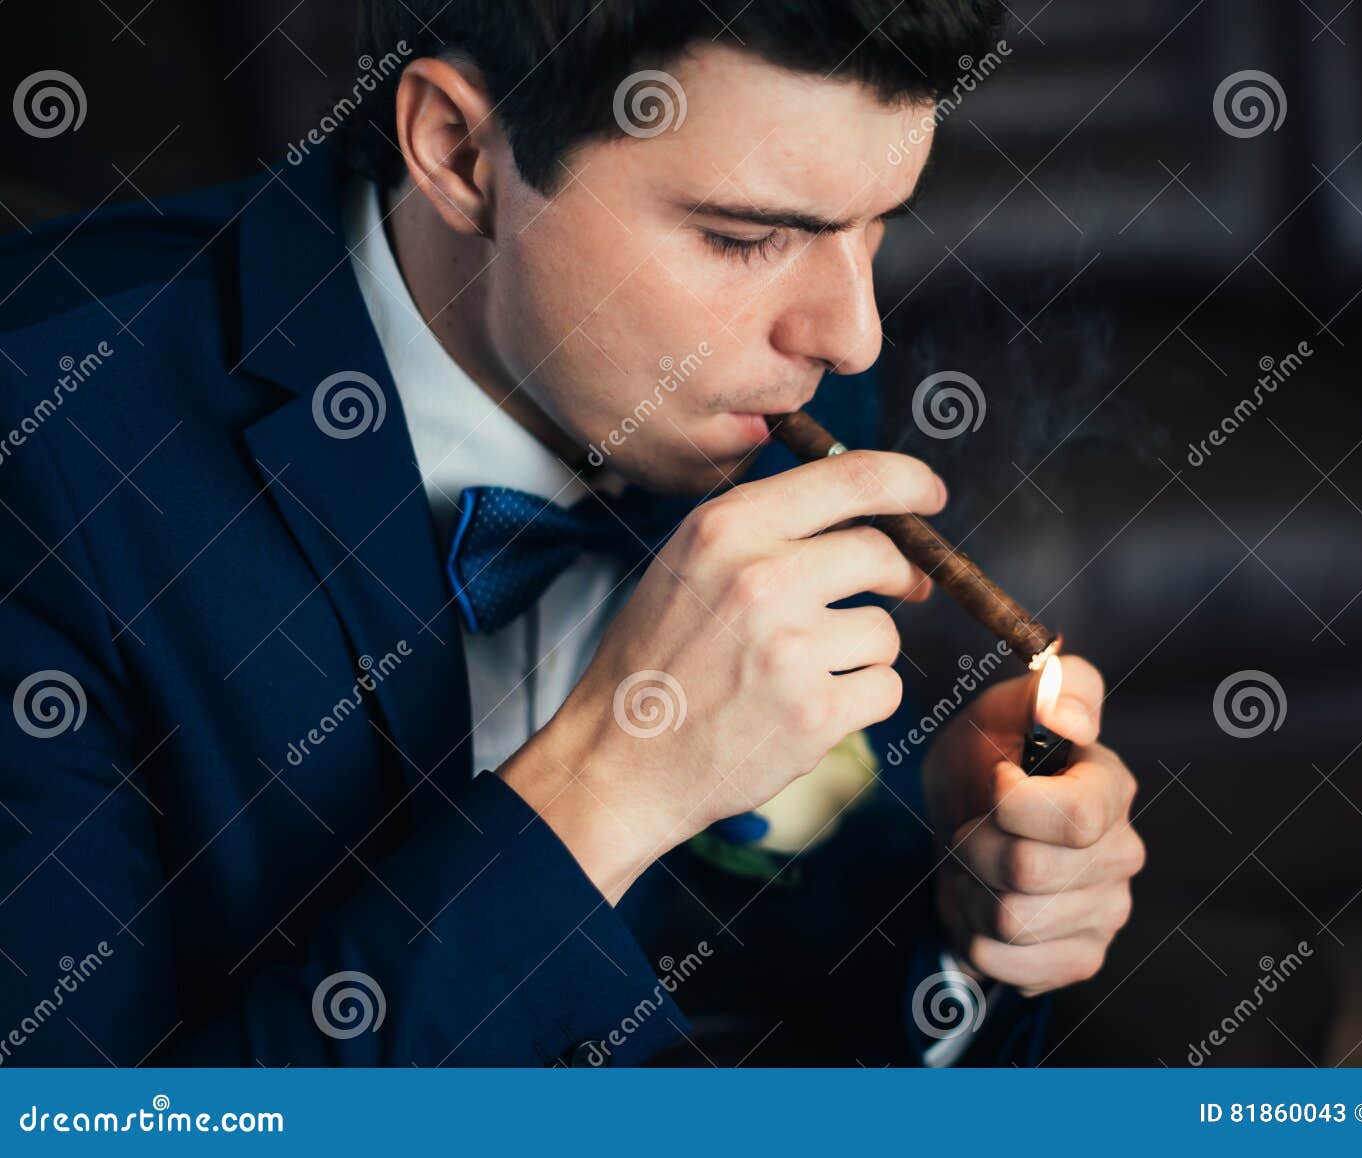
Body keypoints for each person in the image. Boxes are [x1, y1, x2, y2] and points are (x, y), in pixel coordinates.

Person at [0, 0, 1144, 1066]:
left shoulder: (770, 393)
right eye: (744, 237)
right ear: (457, 151)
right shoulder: (48, 448)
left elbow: (752, 977)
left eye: (874, 226)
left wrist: (952, 898)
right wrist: (610, 792)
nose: (849, 335)